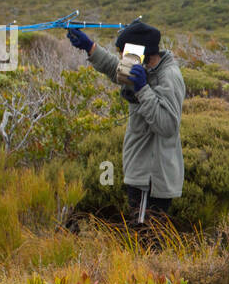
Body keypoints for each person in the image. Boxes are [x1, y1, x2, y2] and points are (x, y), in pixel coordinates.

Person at [66, 20, 185, 233]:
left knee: (146, 239)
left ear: (140, 53)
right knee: (144, 238)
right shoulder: (143, 67)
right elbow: (116, 70)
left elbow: (167, 127)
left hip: (152, 179)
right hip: (140, 172)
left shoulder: (169, 77)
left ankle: (151, 268)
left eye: (124, 53)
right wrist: (90, 47)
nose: (121, 58)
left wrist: (142, 89)